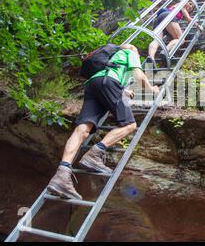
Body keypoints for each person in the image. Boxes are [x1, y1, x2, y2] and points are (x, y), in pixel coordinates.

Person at [46, 43, 159, 200]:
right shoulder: (129, 53)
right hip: (108, 82)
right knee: (129, 125)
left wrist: (122, 90)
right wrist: (151, 89)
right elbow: (139, 77)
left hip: (93, 85)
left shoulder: (111, 57)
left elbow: (106, 77)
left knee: (82, 129)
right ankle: (95, 154)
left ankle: (62, 175)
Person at [147, 1, 204, 65]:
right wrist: (198, 26)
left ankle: (151, 57)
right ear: (186, 2)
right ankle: (166, 52)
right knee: (181, 39)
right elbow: (188, 18)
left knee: (157, 40)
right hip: (168, 17)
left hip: (159, 18)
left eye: (191, 8)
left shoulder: (176, 7)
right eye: (190, 3)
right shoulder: (182, 5)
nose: (191, 6)